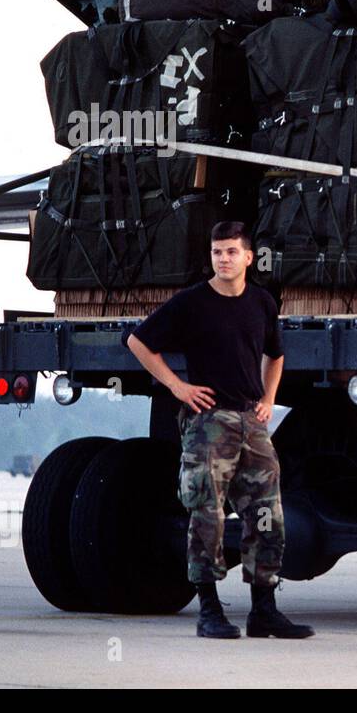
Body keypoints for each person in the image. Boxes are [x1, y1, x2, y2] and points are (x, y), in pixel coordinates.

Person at [127, 220, 313, 640]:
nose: (223, 259)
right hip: (208, 425)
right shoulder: (192, 302)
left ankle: (264, 610)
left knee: (268, 516)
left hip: (252, 422)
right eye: (217, 252)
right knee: (206, 516)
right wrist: (176, 386)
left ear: (249, 257)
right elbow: (138, 342)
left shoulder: (262, 302)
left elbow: (276, 354)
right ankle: (209, 610)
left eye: (231, 252)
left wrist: (268, 399)